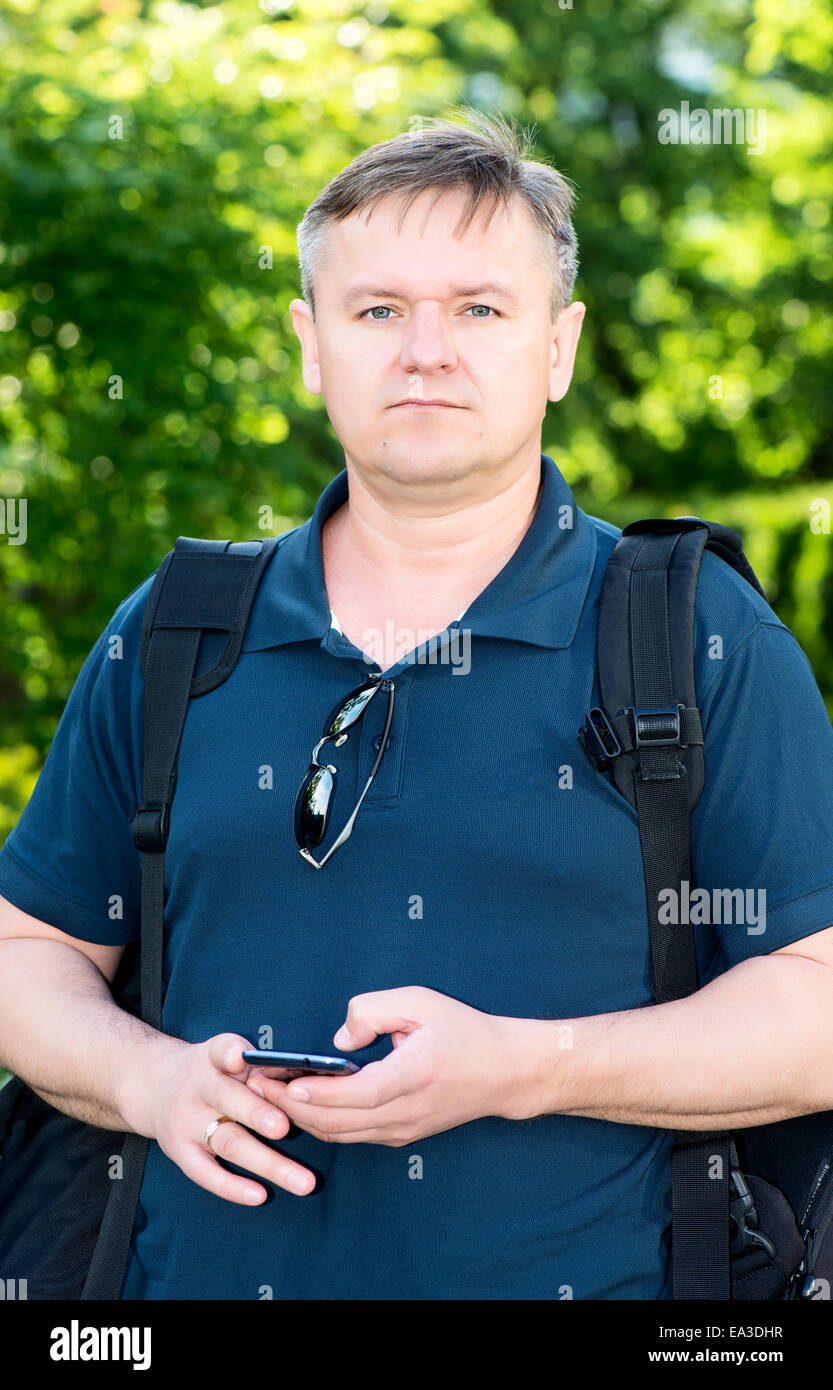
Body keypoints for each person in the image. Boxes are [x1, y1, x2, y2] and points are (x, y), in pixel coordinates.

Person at [2, 110, 833, 1301]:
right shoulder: (177, 631)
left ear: (557, 346)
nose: (424, 350)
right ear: (310, 342)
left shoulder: (690, 635)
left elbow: (811, 1004)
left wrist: (520, 1068)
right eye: (378, 310)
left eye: (480, 309)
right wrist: (145, 1079)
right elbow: (27, 953)